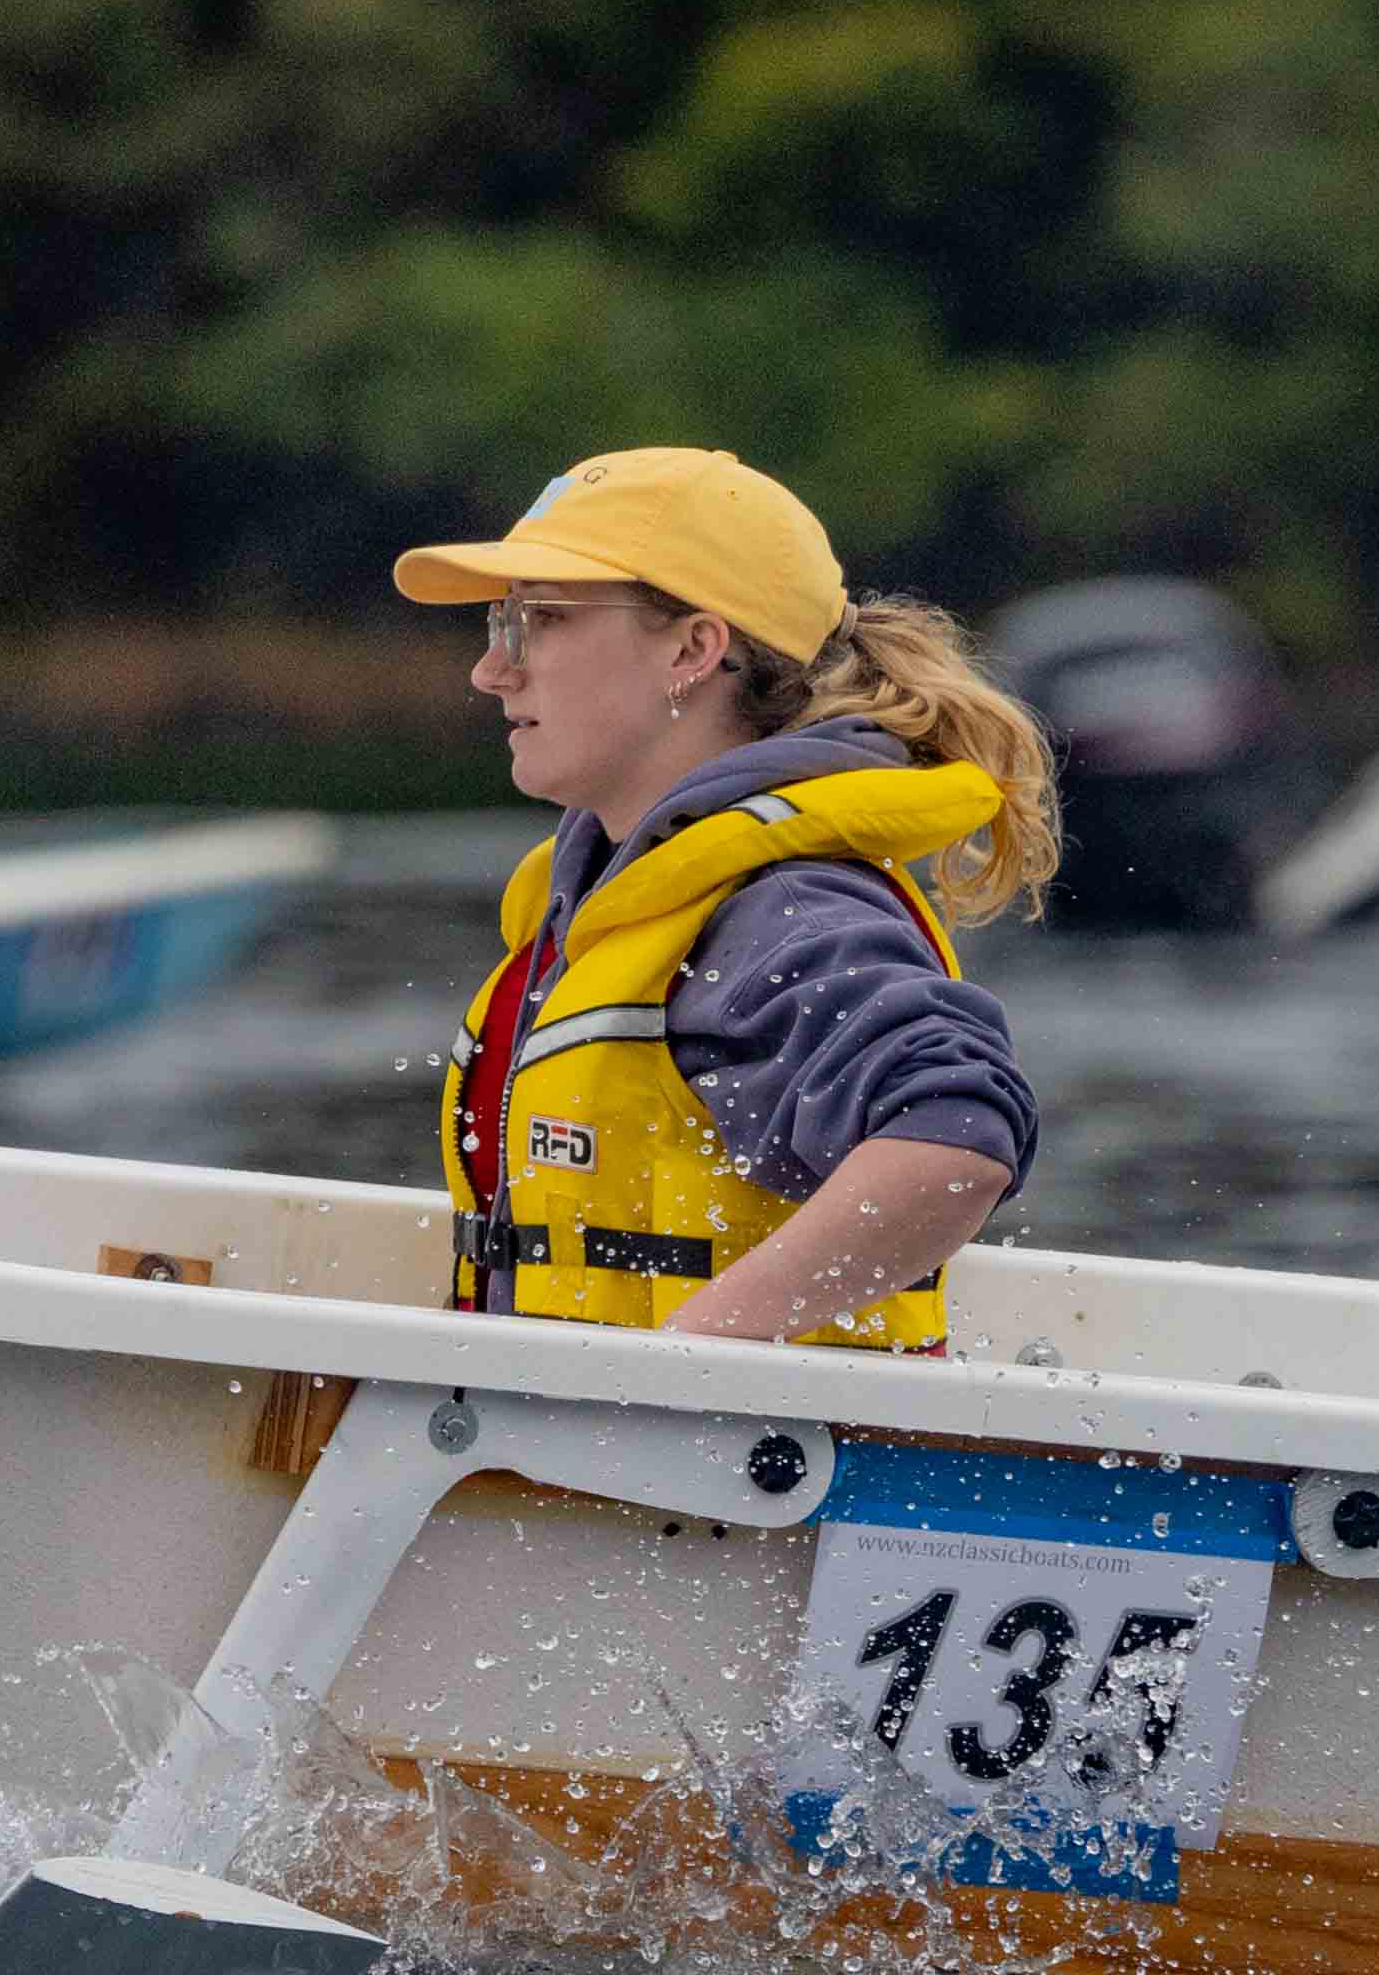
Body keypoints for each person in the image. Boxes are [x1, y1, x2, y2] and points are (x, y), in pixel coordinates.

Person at [392, 446, 1049, 1350]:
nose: (492, 671)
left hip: (740, 1482)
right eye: (500, 624)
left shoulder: (781, 910)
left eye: (538, 621)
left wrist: (690, 1363)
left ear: (695, 649)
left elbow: (954, 1139)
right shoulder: (606, 899)